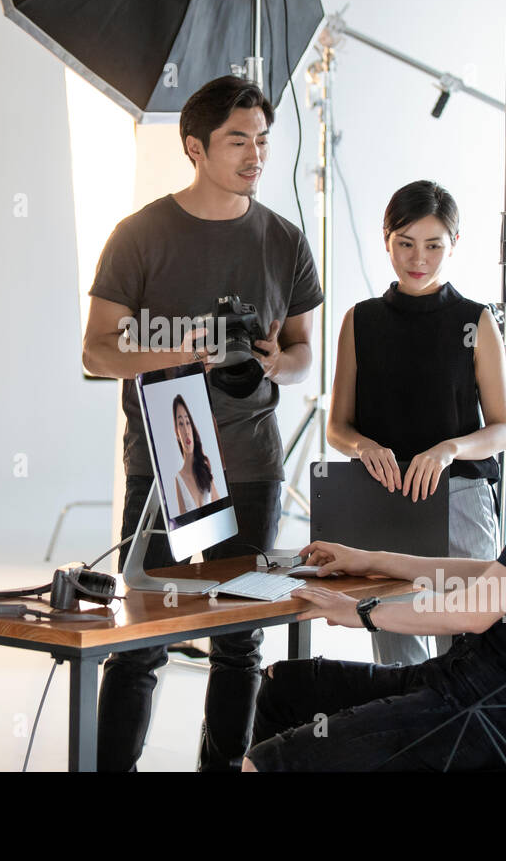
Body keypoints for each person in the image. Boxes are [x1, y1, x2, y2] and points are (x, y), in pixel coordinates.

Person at [243, 331, 506, 771]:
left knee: (266, 764)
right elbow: (491, 575)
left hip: (466, 717)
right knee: (283, 687)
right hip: (462, 691)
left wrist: (361, 612)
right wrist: (370, 559)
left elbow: (473, 612)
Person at [82, 75, 324, 771]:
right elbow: (97, 350)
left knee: (239, 636)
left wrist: (279, 362)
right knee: (142, 637)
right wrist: (186, 352)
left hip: (251, 461)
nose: (256, 155)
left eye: (265, 140)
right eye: (238, 140)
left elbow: (305, 354)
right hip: (163, 460)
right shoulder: (141, 235)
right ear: (195, 147)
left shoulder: (284, 240)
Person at [326, 179, 506, 668]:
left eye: (434, 245)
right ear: (385, 239)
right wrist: (362, 446)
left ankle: (470, 745)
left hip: (461, 500)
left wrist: (448, 448)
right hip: (386, 500)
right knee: (394, 647)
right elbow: (337, 427)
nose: (418, 259)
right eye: (405, 243)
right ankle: (408, 744)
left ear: (455, 244)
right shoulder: (360, 321)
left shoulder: (476, 321)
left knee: (467, 647)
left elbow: (503, 429)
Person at [171, 395, 220, 515]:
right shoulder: (179, 479)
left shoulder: (204, 468)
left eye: (187, 422)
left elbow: (221, 508)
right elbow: (184, 523)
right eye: (181, 424)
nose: (186, 431)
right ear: (177, 432)